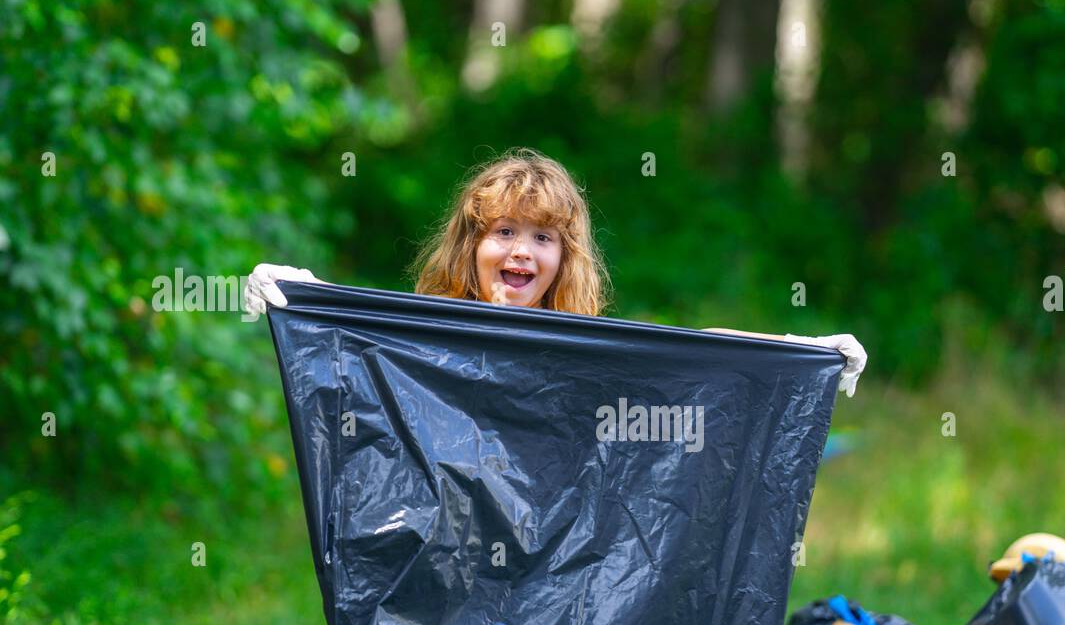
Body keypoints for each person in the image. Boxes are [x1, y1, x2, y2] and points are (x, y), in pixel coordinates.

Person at [243, 147, 867, 396]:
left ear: (563, 262)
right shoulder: (424, 338)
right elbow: (355, 333)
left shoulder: (580, 347)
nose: (522, 251)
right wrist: (300, 294)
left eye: (543, 238)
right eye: (504, 232)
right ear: (470, 246)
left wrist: (798, 352)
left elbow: (691, 354)